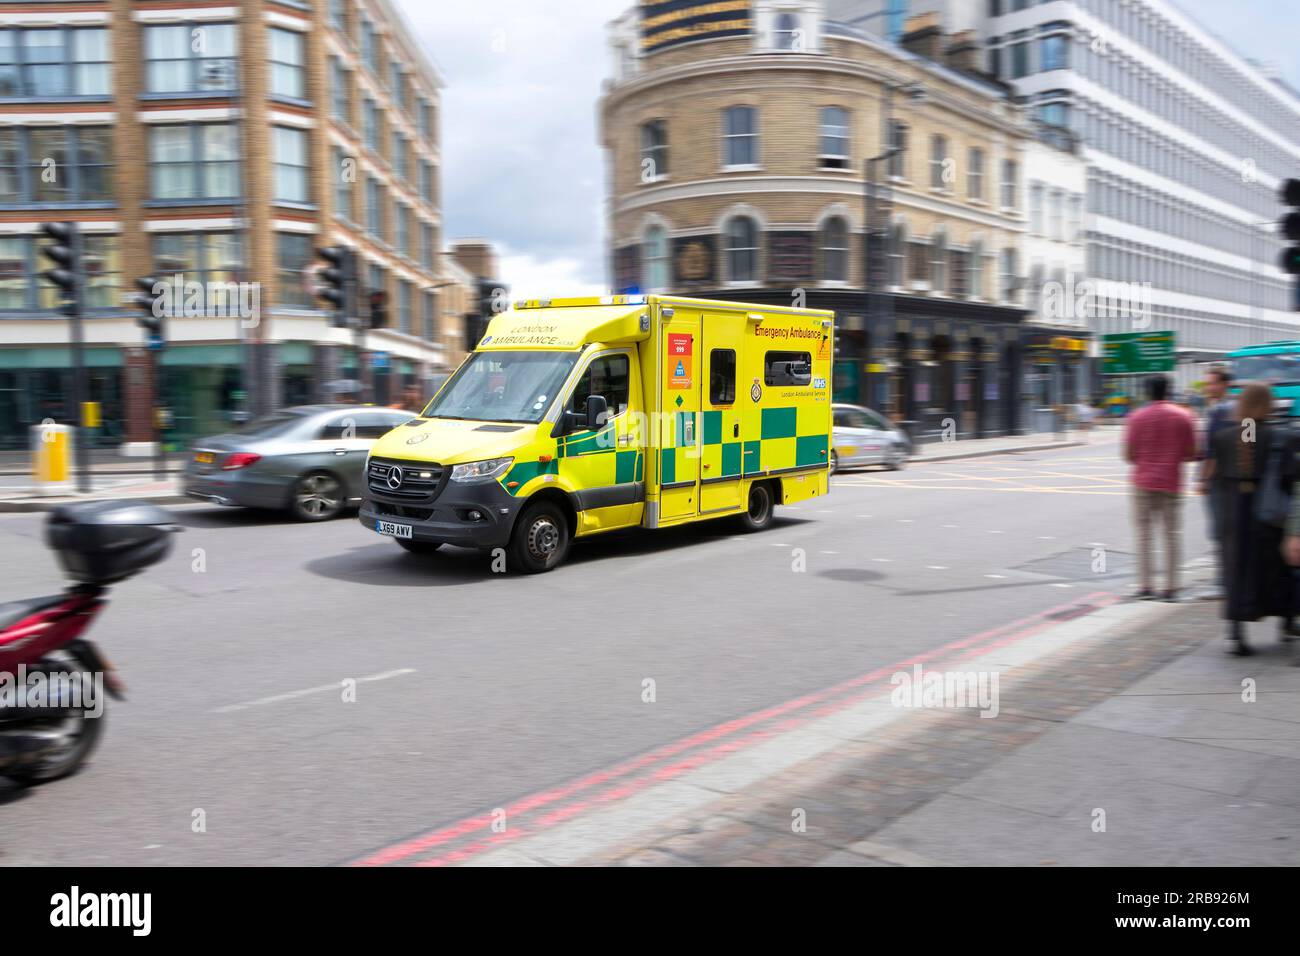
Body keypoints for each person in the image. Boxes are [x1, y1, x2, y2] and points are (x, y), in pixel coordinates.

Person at [1207, 382, 1297, 655]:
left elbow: (1215, 481)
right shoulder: (1284, 436)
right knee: (1280, 570)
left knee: (1237, 572)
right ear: (1268, 404)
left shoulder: (1223, 437)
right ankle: (1287, 621)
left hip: (1235, 517)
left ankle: (1237, 635)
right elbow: (1293, 480)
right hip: (1271, 517)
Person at [1124, 374, 1197, 601]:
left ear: (1147, 392)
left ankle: (1146, 586)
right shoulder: (1184, 417)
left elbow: (1128, 455)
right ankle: (1171, 588)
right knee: (1171, 536)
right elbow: (1191, 454)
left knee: (1144, 536)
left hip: (1142, 482)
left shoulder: (1136, 417)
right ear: (1169, 391)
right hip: (1171, 483)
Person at [1198, 368, 1235, 599]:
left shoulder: (1218, 412)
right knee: (1232, 531)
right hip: (1237, 480)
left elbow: (1211, 453)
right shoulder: (1242, 409)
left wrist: (1203, 480)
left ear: (1224, 385)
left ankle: (1223, 583)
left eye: (1212, 383)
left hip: (1219, 482)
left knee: (1219, 532)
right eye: (1207, 384)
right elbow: (1250, 443)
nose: (1208, 388)